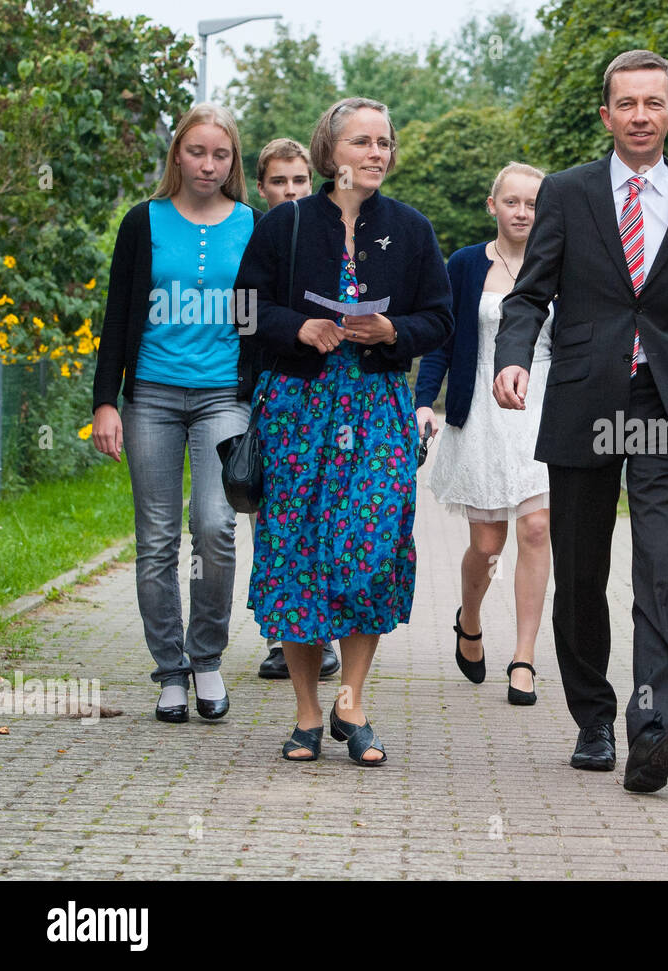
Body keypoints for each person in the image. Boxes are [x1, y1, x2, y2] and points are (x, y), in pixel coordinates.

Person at [494, 50, 668, 793]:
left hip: (665, 405)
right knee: (582, 572)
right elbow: (531, 292)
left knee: (660, 567)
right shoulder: (567, 193)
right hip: (587, 402)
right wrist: (513, 355)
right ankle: (593, 716)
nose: (640, 115)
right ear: (607, 115)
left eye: (654, 103)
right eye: (626, 103)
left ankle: (653, 730)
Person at [234, 97, 453, 764]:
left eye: (385, 142)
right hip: (297, 408)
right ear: (331, 152)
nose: (378, 153)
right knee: (296, 555)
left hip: (377, 407)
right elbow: (245, 308)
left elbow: (441, 319)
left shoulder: (411, 230)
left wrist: (393, 331)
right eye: (363, 141)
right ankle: (306, 712)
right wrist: (296, 326)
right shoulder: (287, 224)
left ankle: (351, 701)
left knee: (372, 547)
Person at [91, 103, 259, 724]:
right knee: (157, 536)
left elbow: (251, 319)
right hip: (152, 398)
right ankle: (169, 671)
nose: (208, 165)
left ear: (233, 160)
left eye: (220, 154)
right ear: (177, 156)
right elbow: (117, 317)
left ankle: (206, 657)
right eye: (197, 152)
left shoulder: (250, 225)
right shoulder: (145, 222)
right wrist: (106, 400)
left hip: (222, 396)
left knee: (215, 526)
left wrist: (255, 392)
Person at [414, 162, 550, 706]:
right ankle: (469, 620)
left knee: (537, 528)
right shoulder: (466, 264)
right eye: (512, 202)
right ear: (492, 206)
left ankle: (524, 657)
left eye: (534, 203)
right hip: (483, 412)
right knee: (487, 544)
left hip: (543, 409)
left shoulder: (559, 263)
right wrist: (424, 401)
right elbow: (443, 340)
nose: (522, 212)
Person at [249, 137, 341, 681]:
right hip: (263, 387)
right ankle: (284, 634)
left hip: (324, 392)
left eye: (298, 181)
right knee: (272, 516)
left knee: (322, 513)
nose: (289, 191)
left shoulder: (328, 230)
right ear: (262, 188)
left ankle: (321, 633)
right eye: (278, 182)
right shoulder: (261, 231)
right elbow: (245, 308)